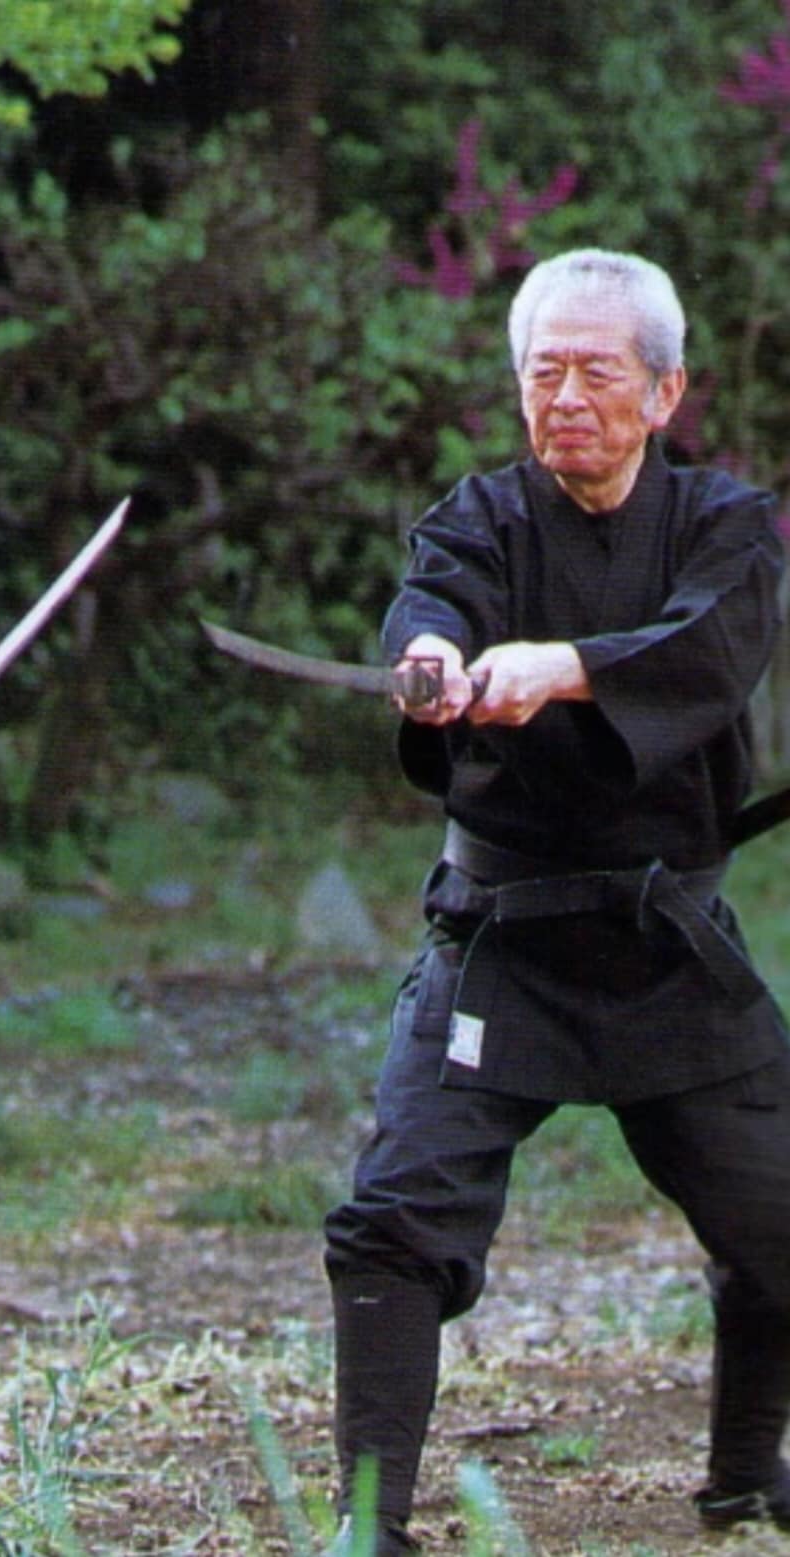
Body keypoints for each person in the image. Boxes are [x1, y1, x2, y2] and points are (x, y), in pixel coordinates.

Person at [322, 249, 790, 1555]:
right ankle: (367, 1524)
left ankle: (745, 1477)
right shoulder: (479, 518)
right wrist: (429, 656)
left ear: (665, 391)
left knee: (779, 1220)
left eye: (597, 372)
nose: (568, 398)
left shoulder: (726, 525)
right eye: (545, 373)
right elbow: (433, 599)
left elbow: (711, 647)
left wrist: (564, 668)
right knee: (392, 1224)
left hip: (665, 945)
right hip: (501, 943)